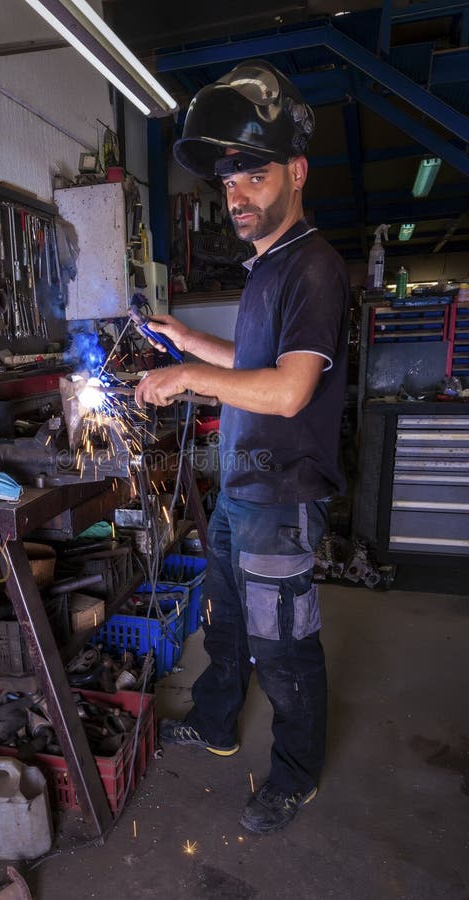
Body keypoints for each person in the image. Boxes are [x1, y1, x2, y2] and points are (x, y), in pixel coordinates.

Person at [135, 60, 349, 834]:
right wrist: (188, 342)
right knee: (226, 621)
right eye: (228, 186)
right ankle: (219, 722)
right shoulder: (267, 269)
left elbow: (289, 389)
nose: (236, 199)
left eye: (253, 179)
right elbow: (253, 364)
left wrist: (188, 375)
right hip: (241, 487)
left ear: (295, 173)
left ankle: (295, 775)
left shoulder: (315, 269)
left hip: (282, 496)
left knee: (284, 644)